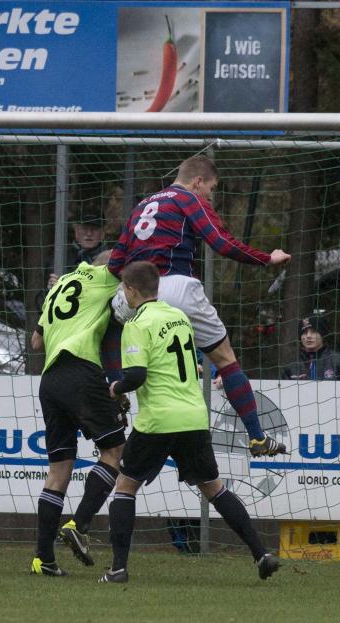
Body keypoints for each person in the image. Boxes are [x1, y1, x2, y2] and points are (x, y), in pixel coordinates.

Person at [100, 261, 281, 584]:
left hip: (159, 419)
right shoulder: (179, 317)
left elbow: (137, 375)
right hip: (194, 416)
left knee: (126, 486)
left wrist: (116, 387)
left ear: (129, 290)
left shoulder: (137, 324)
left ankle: (117, 569)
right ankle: (261, 554)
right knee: (213, 487)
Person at [109, 154, 290, 458]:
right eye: (211, 189)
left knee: (125, 339)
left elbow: (115, 263)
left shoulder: (142, 206)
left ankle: (115, 391)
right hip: (176, 287)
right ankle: (257, 438)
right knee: (225, 359)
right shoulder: (187, 198)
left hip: (133, 295)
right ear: (198, 181)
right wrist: (266, 258)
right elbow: (220, 241)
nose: (210, 196)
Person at [28, 250, 127, 577]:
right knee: (115, 452)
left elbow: (35, 343)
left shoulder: (62, 284)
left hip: (50, 379)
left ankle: (43, 559)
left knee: (58, 471)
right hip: (81, 371)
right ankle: (79, 524)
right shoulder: (105, 278)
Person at [282, 315, 340, 381]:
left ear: (323, 334)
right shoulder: (291, 365)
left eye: (314, 332)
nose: (308, 336)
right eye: (304, 333)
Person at [46, 217, 110, 289]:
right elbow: (41, 297)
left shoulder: (112, 258)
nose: (89, 233)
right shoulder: (58, 260)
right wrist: (50, 290)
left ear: (103, 233)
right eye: (84, 228)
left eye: (94, 229)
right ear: (76, 232)